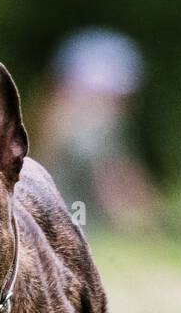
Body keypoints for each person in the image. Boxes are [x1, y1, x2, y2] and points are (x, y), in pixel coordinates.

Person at [38, 28, 156, 234]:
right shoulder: (92, 128)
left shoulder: (53, 122)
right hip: (82, 230)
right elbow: (114, 181)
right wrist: (146, 230)